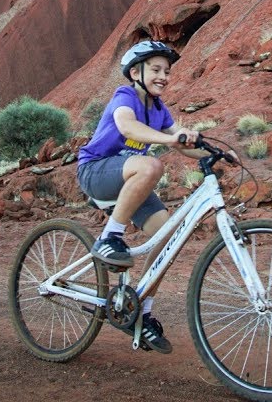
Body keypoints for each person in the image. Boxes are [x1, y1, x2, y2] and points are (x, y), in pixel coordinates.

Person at [76, 40, 232, 354]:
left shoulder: (159, 109)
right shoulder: (126, 96)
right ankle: (109, 238)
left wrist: (219, 152)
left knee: (169, 236)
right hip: (96, 172)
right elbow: (127, 126)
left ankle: (141, 313)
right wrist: (170, 139)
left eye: (167, 71)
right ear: (136, 71)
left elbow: (183, 143)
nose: (164, 76)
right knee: (152, 166)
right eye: (156, 69)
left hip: (130, 179)